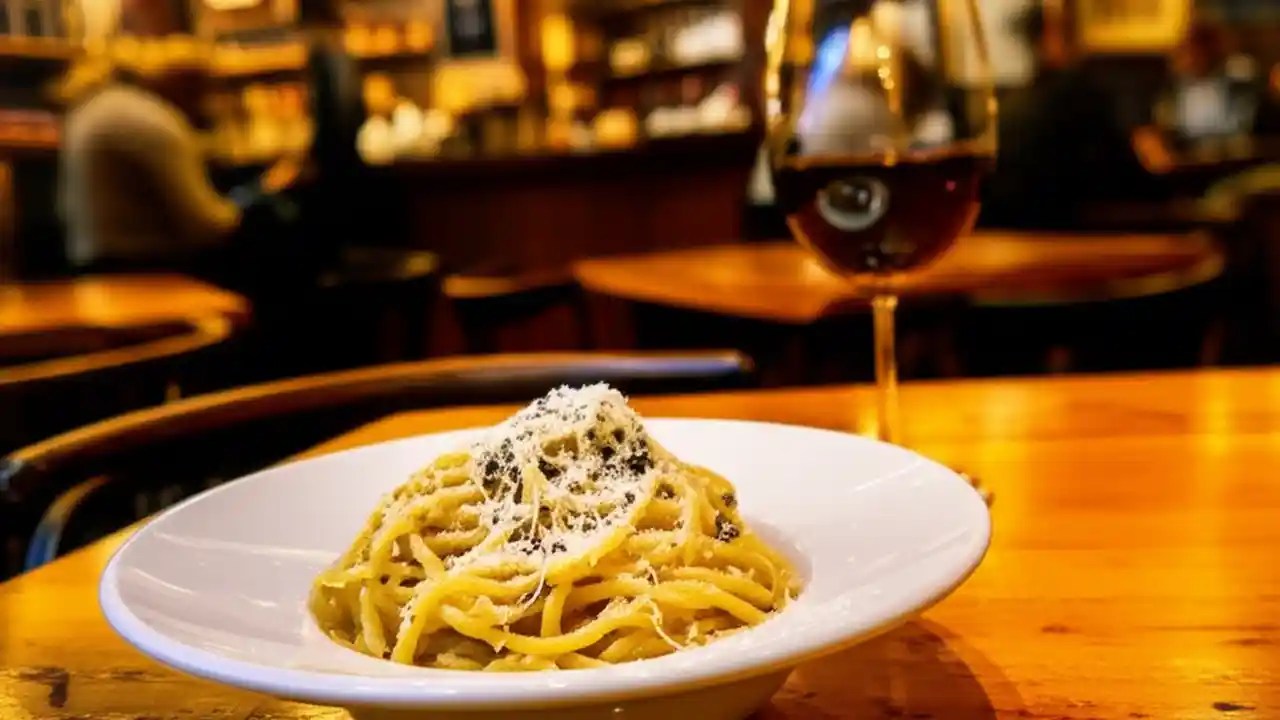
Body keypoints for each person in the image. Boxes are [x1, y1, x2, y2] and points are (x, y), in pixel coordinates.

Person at [979, 5, 1153, 229]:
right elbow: (1126, 179)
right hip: (1073, 234)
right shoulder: (1079, 94)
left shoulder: (1008, 107)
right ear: (1048, 37)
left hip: (1007, 235)